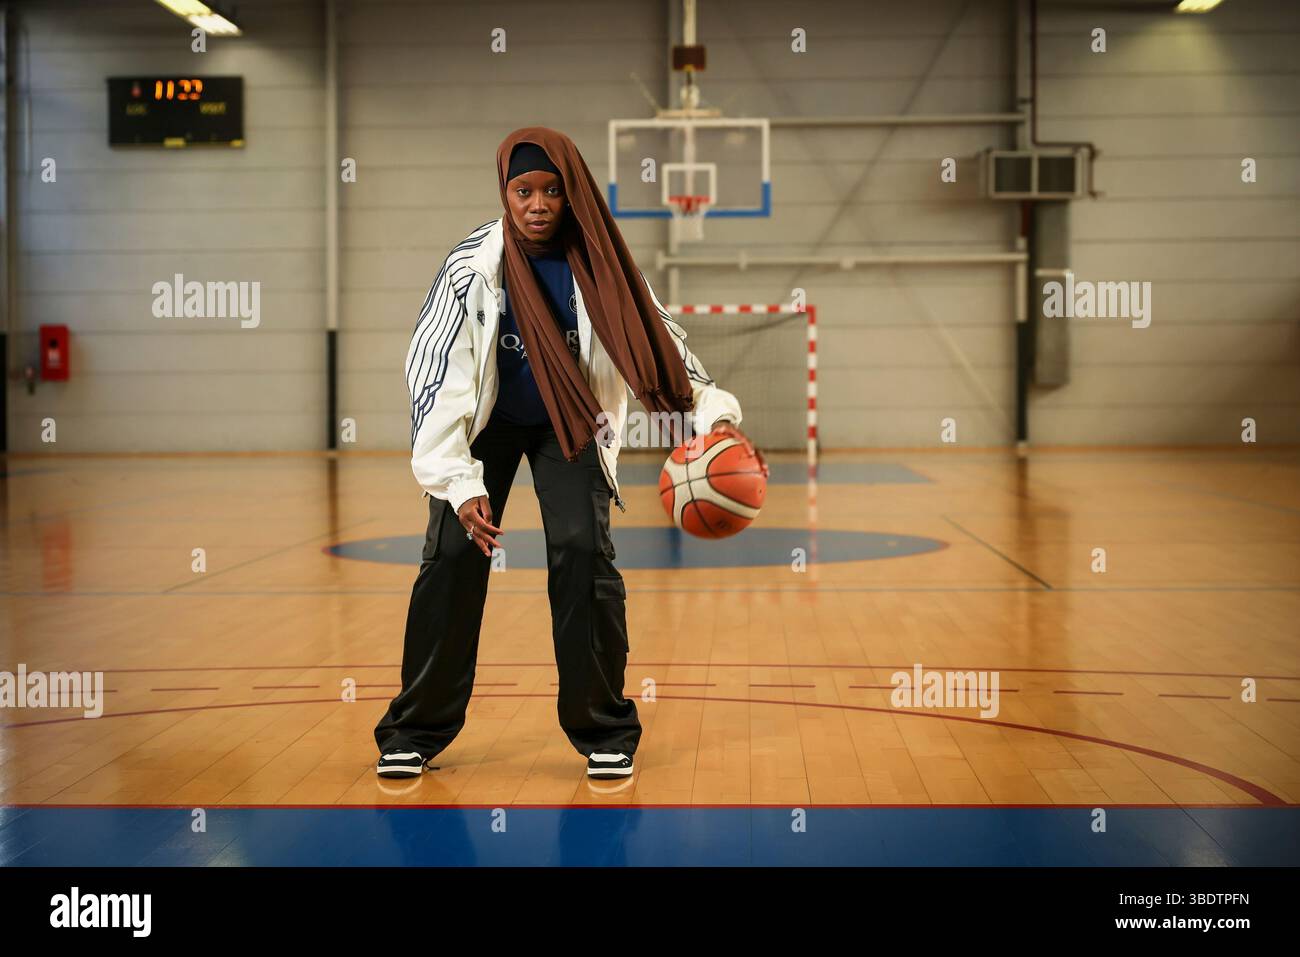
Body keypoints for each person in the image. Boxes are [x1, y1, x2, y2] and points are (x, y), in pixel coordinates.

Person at [374, 127, 762, 780]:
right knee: (448, 557)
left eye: (552, 189)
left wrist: (713, 413)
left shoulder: (603, 260)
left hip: (570, 420)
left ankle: (604, 726)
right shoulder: (472, 266)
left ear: (572, 191)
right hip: (483, 423)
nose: (537, 203)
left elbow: (657, 343)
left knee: (584, 553)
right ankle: (414, 728)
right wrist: (456, 479)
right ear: (504, 191)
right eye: (523, 189)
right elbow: (433, 371)